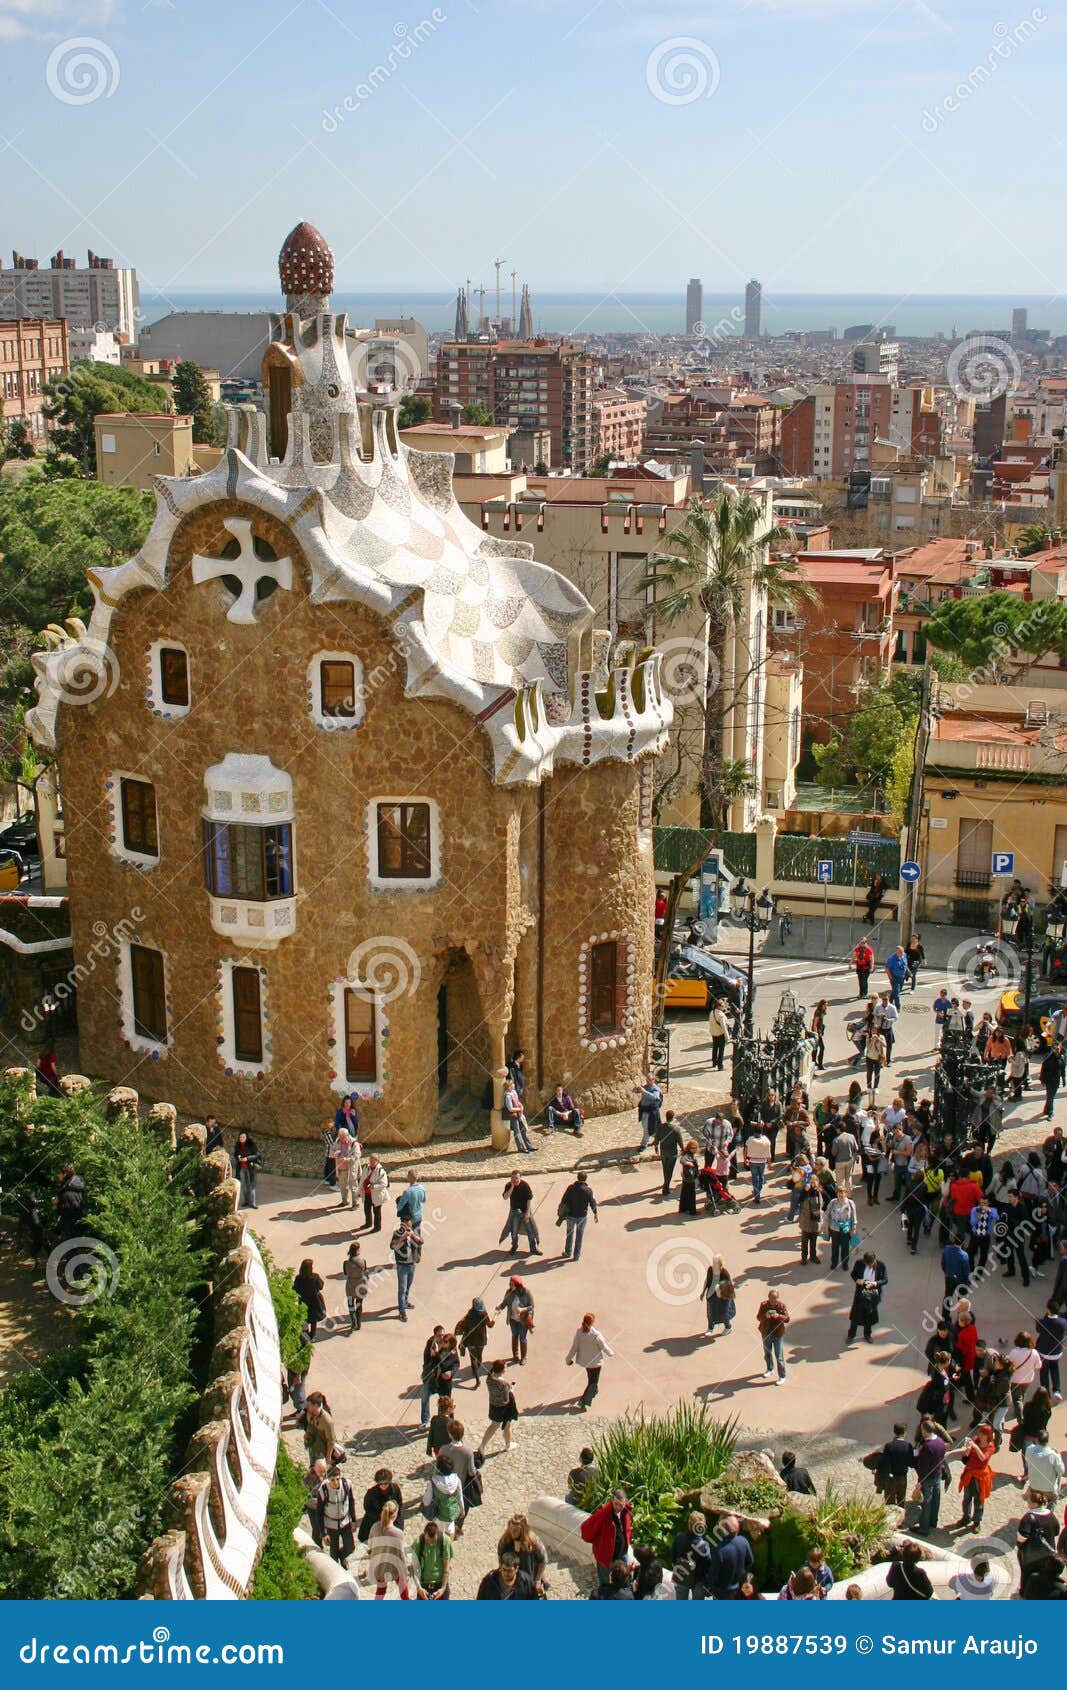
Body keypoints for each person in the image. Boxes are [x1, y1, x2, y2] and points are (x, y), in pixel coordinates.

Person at [581, 1489, 633, 1589]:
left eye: (620, 1505)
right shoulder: (604, 1514)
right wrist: (598, 1544)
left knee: (623, 1582)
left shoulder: (626, 1511)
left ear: (625, 1502)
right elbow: (587, 1529)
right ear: (612, 1501)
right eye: (616, 1504)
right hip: (606, 1558)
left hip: (622, 1554)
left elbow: (627, 1529)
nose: (618, 1507)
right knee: (606, 1585)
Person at [951, 1424, 996, 1531]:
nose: (981, 1435)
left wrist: (975, 1447)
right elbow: (967, 1454)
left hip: (980, 1476)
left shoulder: (990, 1446)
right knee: (967, 1498)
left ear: (988, 1435)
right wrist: (966, 1448)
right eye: (980, 1432)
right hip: (970, 1473)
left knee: (979, 1500)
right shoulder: (976, 1440)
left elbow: (983, 1458)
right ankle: (965, 1517)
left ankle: (977, 1522)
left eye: (984, 1434)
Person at [566, 1311, 613, 1410]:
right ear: (592, 1323)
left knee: (591, 1379)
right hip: (596, 1363)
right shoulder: (597, 1335)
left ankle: (595, 1391)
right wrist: (610, 1353)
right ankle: (584, 1401)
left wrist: (568, 1359)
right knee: (593, 1382)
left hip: (586, 1363)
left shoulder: (579, 1333)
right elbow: (604, 1347)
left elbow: (574, 1347)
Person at [314, 1465, 356, 1565]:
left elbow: (351, 1502)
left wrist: (353, 1520)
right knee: (333, 1552)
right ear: (328, 1480)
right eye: (332, 1480)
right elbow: (319, 1513)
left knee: (350, 1547)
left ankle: (342, 1556)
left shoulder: (346, 1485)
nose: (336, 1482)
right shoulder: (323, 1491)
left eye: (337, 1479)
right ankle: (338, 1568)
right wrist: (324, 1533)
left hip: (345, 1522)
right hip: (331, 1525)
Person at [369, 1500, 411, 1600]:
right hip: (394, 1565)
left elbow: (370, 1546)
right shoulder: (398, 1533)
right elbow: (400, 1554)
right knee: (403, 1587)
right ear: (395, 1515)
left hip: (379, 1565)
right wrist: (405, 1571)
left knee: (381, 1590)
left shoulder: (375, 1527)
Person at [913, 1418, 949, 1537]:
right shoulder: (940, 1442)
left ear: (925, 1431)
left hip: (927, 1478)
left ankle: (924, 1528)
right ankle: (933, 1521)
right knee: (936, 1499)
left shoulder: (927, 1447)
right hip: (937, 1475)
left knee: (926, 1502)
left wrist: (920, 1482)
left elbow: (923, 1466)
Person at [1017, 1495, 1061, 1591]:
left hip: (1030, 1554)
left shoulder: (1028, 1517)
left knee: (1027, 1573)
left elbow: (1022, 1537)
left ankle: (1025, 1592)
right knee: (1043, 1572)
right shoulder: (1051, 1515)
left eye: (1029, 1500)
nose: (1027, 1502)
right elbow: (1057, 1531)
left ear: (1034, 1503)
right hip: (1047, 1554)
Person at [705, 1514, 754, 1600]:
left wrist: (708, 1588)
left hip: (722, 1593)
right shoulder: (744, 1541)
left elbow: (713, 1575)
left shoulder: (719, 1551)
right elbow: (750, 1562)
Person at [498, 1514, 548, 1595]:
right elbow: (500, 1559)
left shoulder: (533, 1541)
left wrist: (538, 1579)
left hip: (530, 1575)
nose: (513, 1532)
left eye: (516, 1530)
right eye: (511, 1529)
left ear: (523, 1530)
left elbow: (543, 1559)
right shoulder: (504, 1541)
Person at [847, 1251, 887, 1344]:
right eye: (867, 1264)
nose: (868, 1266)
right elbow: (853, 1274)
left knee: (870, 1315)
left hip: (873, 1292)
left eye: (870, 1264)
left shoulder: (881, 1266)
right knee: (855, 1316)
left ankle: (867, 1334)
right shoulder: (859, 1263)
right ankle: (851, 1335)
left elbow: (885, 1280)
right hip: (861, 1291)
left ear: (874, 1260)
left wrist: (875, 1283)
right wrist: (858, 1280)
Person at [479, 1359, 519, 1454]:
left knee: (493, 1426)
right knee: (507, 1427)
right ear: (502, 1370)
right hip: (504, 1409)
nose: (506, 1368)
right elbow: (506, 1400)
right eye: (505, 1366)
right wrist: (512, 1389)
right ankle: (508, 1445)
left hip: (493, 1405)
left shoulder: (489, 1378)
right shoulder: (503, 1384)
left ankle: (482, 1446)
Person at [557, 1170, 598, 1261]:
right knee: (580, 1235)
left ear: (577, 1178)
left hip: (571, 1215)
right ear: (586, 1179)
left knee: (569, 1233)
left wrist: (561, 1211)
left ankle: (568, 1252)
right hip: (582, 1216)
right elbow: (592, 1202)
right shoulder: (588, 1190)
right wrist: (595, 1213)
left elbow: (563, 1200)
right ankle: (576, 1256)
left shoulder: (570, 1188)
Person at [500, 1169, 541, 1256]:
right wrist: (512, 1187)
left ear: (520, 1178)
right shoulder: (509, 1185)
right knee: (514, 1231)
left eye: (517, 1178)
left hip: (525, 1210)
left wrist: (528, 1213)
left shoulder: (525, 1186)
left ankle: (533, 1248)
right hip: (514, 1212)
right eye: (513, 1178)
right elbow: (505, 1197)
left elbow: (529, 1200)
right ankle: (514, 1246)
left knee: (530, 1230)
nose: (515, 1180)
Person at [422, 1454, 464, 1539]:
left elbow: (426, 1501)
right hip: (453, 1512)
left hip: (439, 1513)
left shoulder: (433, 1481)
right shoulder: (457, 1479)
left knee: (438, 1533)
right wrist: (462, 1509)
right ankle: (449, 1548)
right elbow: (460, 1496)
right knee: (451, 1529)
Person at [357, 1469, 404, 1545]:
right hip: (375, 1519)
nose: (384, 1486)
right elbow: (367, 1508)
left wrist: (394, 1518)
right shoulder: (371, 1493)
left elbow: (400, 1503)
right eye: (381, 1484)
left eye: (386, 1483)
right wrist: (381, 1517)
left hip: (392, 1519)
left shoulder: (395, 1489)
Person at [389, 1216, 422, 1322]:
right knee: (402, 1289)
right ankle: (402, 1311)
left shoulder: (413, 1232)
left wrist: (412, 1235)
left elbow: (421, 1242)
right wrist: (403, 1237)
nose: (409, 1226)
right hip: (402, 1265)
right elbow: (393, 1246)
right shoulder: (397, 1234)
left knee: (408, 1285)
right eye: (407, 1224)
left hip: (412, 1264)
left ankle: (405, 1302)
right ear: (402, 1224)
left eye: (410, 1224)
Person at [455, 1296, 495, 1383]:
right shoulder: (484, 1314)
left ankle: (477, 1378)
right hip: (481, 1340)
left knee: (473, 1358)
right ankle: (476, 1369)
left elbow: (464, 1328)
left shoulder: (469, 1315)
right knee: (479, 1357)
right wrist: (495, 1318)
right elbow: (490, 1325)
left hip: (470, 1340)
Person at [497, 1276, 535, 1365]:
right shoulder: (509, 1292)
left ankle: (523, 1357)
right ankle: (515, 1356)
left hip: (523, 1320)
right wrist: (499, 1307)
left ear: (517, 1285)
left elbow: (532, 1305)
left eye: (511, 1284)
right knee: (514, 1336)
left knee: (522, 1338)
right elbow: (504, 1302)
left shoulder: (526, 1292)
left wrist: (523, 1310)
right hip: (513, 1319)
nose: (509, 1285)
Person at [412, 1519, 453, 1600]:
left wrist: (443, 1588)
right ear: (424, 1534)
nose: (431, 1543)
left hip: (440, 1583)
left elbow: (446, 1568)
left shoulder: (445, 1541)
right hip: (424, 1585)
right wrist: (418, 1588)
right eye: (428, 1540)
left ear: (437, 1534)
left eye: (433, 1541)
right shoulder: (418, 1543)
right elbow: (415, 1569)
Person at [876, 1422, 914, 1507]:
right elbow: (911, 1463)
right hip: (903, 1477)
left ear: (894, 1432)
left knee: (889, 1503)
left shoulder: (889, 1446)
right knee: (901, 1501)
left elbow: (885, 1463)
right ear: (905, 1433)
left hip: (891, 1478)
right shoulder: (908, 1446)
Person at [757, 1288, 790, 1384]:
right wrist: (765, 1316)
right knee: (767, 1354)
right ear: (768, 1298)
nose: (773, 1300)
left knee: (779, 1356)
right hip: (766, 1333)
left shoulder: (781, 1306)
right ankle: (770, 1369)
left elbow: (787, 1319)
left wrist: (778, 1316)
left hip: (777, 1334)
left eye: (775, 1298)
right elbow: (758, 1317)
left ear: (778, 1298)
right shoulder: (763, 1305)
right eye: (771, 1298)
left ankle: (782, 1376)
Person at [1007, 1332, 1042, 1420]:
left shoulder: (1014, 1352)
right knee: (1022, 1394)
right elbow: (1039, 1366)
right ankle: (1020, 1410)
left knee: (1017, 1398)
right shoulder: (1034, 1352)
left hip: (1015, 1379)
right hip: (1028, 1379)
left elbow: (1008, 1364)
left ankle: (1020, 1416)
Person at [822, 1186, 858, 1272]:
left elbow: (854, 1218)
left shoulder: (850, 1203)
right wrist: (826, 1228)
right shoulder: (832, 1202)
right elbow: (826, 1216)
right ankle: (834, 1263)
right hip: (834, 1229)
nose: (841, 1195)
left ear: (846, 1193)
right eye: (839, 1193)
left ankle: (845, 1264)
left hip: (846, 1229)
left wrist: (853, 1229)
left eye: (843, 1193)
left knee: (845, 1248)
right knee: (835, 1247)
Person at [1037, 1302, 1067, 1401]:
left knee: (1044, 1373)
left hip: (1044, 1352)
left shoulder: (1043, 1321)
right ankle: (1057, 1390)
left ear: (1048, 1310)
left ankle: (1046, 1394)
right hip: (1056, 1352)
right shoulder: (1063, 1322)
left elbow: (1038, 1329)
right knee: (1055, 1370)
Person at [1024, 1428, 1065, 1497]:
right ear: (1047, 1440)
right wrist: (1058, 1455)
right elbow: (1061, 1471)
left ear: (1036, 1439)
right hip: (1049, 1489)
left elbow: (1027, 1460)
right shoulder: (1053, 1455)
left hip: (1034, 1486)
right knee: (1052, 1503)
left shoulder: (1029, 1450)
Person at [655, 1109, 686, 1198]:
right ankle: (666, 1188)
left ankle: (666, 1183)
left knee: (665, 1169)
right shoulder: (676, 1129)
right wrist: (683, 1150)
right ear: (672, 1118)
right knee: (669, 1170)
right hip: (672, 1152)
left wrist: (656, 1147)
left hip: (663, 1151)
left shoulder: (660, 1127)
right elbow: (680, 1142)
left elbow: (657, 1138)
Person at [293, 1259, 326, 1340]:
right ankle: (312, 1335)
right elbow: (321, 1286)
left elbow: (295, 1289)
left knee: (305, 1318)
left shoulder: (298, 1278)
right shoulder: (314, 1277)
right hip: (315, 1301)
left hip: (303, 1301)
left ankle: (306, 1333)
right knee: (313, 1319)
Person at [332, 1122, 362, 1211]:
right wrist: (334, 1153)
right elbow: (332, 1149)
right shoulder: (338, 1141)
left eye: (342, 1138)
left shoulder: (354, 1144)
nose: (340, 1140)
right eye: (339, 1137)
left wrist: (347, 1159)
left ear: (347, 1136)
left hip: (351, 1168)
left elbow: (357, 1155)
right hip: (341, 1168)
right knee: (342, 1186)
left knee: (353, 1187)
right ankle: (344, 1201)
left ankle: (355, 1203)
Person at [303, 1392, 336, 1466]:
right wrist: (306, 1434)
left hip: (322, 1451)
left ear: (315, 1405)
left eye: (309, 1405)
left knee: (320, 1470)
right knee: (312, 1467)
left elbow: (331, 1440)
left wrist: (328, 1457)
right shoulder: (309, 1413)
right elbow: (310, 1426)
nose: (306, 1406)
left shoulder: (327, 1421)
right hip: (313, 1446)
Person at [502, 1077, 533, 1153]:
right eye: (512, 1084)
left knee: (523, 1129)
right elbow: (510, 1108)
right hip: (513, 1115)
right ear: (509, 1086)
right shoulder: (508, 1095)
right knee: (517, 1131)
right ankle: (521, 1148)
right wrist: (519, 1109)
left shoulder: (514, 1092)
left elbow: (517, 1102)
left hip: (518, 1114)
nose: (513, 1085)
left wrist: (521, 1105)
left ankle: (529, 1146)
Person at [743, 1124, 772, 1205]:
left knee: (755, 1178)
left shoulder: (750, 1139)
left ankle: (757, 1195)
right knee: (761, 1177)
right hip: (762, 1162)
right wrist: (769, 1163)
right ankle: (758, 1191)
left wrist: (745, 1160)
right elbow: (768, 1152)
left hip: (753, 1162)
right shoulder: (766, 1139)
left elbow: (745, 1150)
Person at [342, 1241, 368, 1332]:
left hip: (350, 1285)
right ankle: (358, 1323)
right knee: (359, 1304)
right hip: (361, 1285)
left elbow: (345, 1273)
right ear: (357, 1250)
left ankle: (353, 1322)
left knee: (350, 1304)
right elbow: (365, 1271)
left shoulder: (346, 1263)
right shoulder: (363, 1261)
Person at [633, 1074, 663, 1151]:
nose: (647, 1082)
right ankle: (657, 1138)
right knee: (647, 1126)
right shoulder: (645, 1086)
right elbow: (637, 1091)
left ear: (653, 1080)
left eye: (649, 1080)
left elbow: (655, 1097)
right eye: (646, 1080)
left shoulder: (656, 1089)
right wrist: (637, 1089)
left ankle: (644, 1144)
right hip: (644, 1110)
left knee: (646, 1128)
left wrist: (644, 1091)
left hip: (651, 1112)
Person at [704, 1264, 736, 1336]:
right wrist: (703, 1292)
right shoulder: (710, 1270)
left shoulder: (724, 1273)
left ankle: (728, 1327)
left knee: (724, 1314)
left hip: (723, 1298)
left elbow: (729, 1285)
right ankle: (710, 1328)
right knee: (710, 1313)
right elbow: (707, 1281)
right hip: (712, 1297)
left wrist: (720, 1287)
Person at [798, 1176, 822, 1265]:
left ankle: (813, 1256)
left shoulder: (819, 1192)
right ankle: (803, 1258)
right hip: (806, 1221)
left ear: (818, 1183)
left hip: (815, 1221)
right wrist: (804, 1190)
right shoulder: (805, 1192)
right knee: (804, 1242)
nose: (813, 1184)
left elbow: (826, 1200)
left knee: (813, 1241)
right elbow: (799, 1199)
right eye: (811, 1182)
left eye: (814, 1182)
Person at [232, 1131, 260, 1210]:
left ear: (246, 1138)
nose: (241, 1139)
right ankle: (246, 1201)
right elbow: (235, 1153)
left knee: (251, 1185)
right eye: (240, 1137)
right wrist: (238, 1156)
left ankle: (253, 1202)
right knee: (244, 1185)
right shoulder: (238, 1144)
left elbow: (256, 1155)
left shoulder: (252, 1144)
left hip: (250, 1168)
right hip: (241, 1167)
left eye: (243, 1137)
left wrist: (247, 1159)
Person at [363, 1155, 389, 1231]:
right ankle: (368, 1223)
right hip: (367, 1193)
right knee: (366, 1209)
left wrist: (373, 1186)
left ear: (377, 1161)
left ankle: (377, 1227)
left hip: (376, 1195)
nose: (371, 1162)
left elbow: (384, 1184)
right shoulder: (366, 1167)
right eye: (370, 1160)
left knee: (376, 1212)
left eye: (373, 1161)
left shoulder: (381, 1171)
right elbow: (363, 1178)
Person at [1042, 1041, 1066, 1121]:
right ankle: (1050, 1112)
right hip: (1049, 1080)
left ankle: (1046, 1109)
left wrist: (1064, 1079)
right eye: (1055, 1049)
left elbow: (1062, 1069)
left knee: (1051, 1097)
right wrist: (1042, 1079)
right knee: (1050, 1097)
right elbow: (1043, 1068)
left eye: (1058, 1048)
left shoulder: (1062, 1058)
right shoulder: (1049, 1058)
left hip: (1056, 1081)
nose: (1057, 1050)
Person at [864, 1024, 887, 1099]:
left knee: (877, 1073)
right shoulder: (868, 1036)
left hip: (878, 1058)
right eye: (872, 1029)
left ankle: (875, 1087)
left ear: (877, 1030)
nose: (873, 1031)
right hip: (869, 1057)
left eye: (875, 1029)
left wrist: (878, 1039)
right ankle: (869, 1087)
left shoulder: (881, 1037)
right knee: (869, 1073)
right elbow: (867, 1047)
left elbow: (885, 1045)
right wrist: (872, 1041)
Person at [679, 1139, 700, 1216]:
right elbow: (682, 1160)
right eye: (693, 1148)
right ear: (689, 1148)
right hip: (689, 1178)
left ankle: (683, 1209)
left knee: (684, 1193)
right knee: (691, 1195)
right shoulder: (687, 1155)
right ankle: (692, 1211)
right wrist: (688, 1163)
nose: (694, 1150)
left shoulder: (691, 1154)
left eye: (695, 1148)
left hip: (687, 1177)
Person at [708, 998, 730, 1071]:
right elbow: (724, 1027)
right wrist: (727, 1038)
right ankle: (720, 1066)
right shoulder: (721, 1015)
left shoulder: (712, 1012)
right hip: (720, 1034)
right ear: (719, 1006)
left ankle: (714, 1063)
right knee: (721, 1050)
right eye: (723, 1006)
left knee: (715, 1048)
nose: (724, 1007)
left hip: (713, 1033)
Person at [885, 944, 908, 1009]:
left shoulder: (904, 955)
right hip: (895, 977)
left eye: (902, 952)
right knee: (897, 993)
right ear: (897, 952)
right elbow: (887, 969)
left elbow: (906, 964)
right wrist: (891, 978)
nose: (902, 954)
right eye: (900, 952)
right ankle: (897, 1007)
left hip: (902, 977)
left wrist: (908, 972)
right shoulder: (892, 958)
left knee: (896, 991)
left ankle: (890, 1001)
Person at [809, 999, 827, 1072]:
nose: (826, 1007)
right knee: (822, 1048)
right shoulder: (818, 1013)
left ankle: (814, 1062)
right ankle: (819, 1064)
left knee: (815, 1048)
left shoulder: (821, 1012)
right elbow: (814, 1024)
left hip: (819, 1032)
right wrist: (816, 1034)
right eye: (825, 1005)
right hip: (816, 1033)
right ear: (822, 1005)